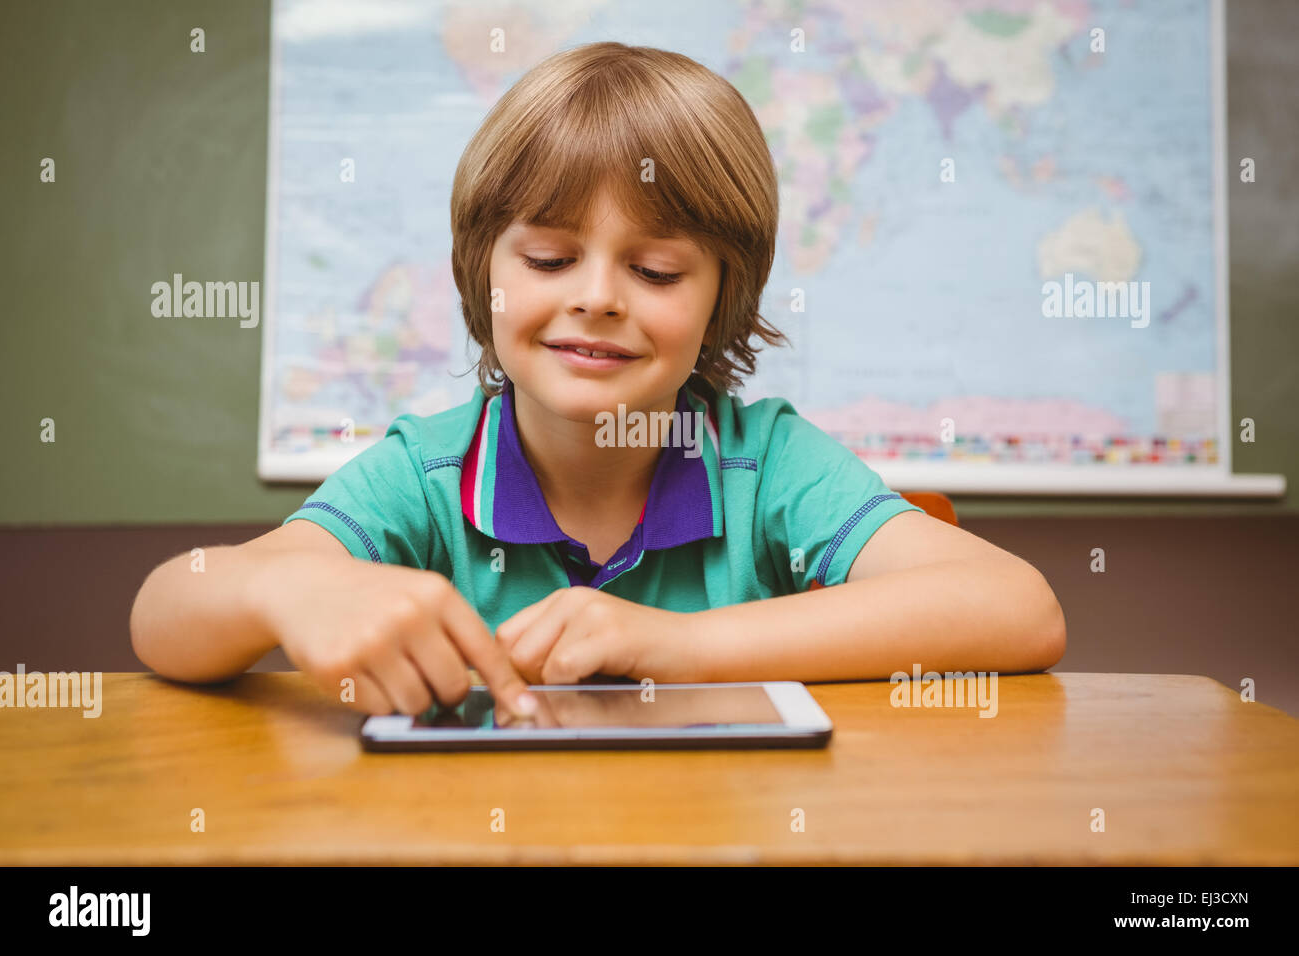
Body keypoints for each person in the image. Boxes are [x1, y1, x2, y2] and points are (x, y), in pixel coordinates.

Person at [130, 42, 1066, 720]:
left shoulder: (764, 461)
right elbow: (167, 612)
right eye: (547, 257)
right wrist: (286, 595)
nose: (598, 299)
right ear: (479, 273)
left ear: (719, 300)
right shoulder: (425, 474)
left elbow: (1019, 610)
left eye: (656, 273)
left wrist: (681, 647)